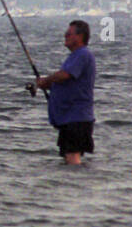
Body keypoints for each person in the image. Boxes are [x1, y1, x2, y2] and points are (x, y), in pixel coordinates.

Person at [32, 19, 96, 165]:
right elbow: (66, 83)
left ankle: (77, 185)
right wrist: (46, 84)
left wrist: (46, 80)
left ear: (79, 37)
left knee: (73, 159)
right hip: (69, 118)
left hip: (77, 118)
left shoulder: (83, 54)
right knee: (69, 158)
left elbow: (64, 75)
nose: (64, 36)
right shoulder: (74, 57)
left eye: (68, 34)